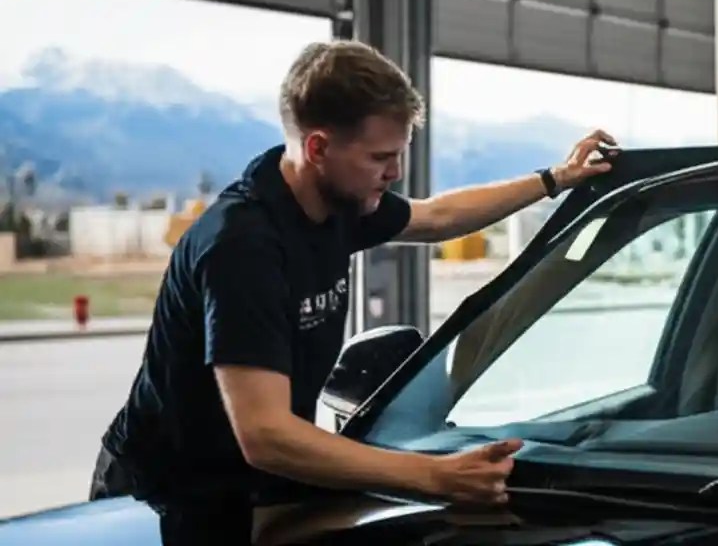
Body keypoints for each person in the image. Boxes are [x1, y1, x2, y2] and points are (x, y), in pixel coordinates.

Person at [89, 40, 616, 544]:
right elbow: (265, 434)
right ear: (318, 147)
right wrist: (433, 476)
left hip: (250, 484)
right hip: (162, 498)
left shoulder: (336, 205)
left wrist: (555, 179)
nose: (395, 172)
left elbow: (438, 216)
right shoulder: (242, 246)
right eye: (380, 157)